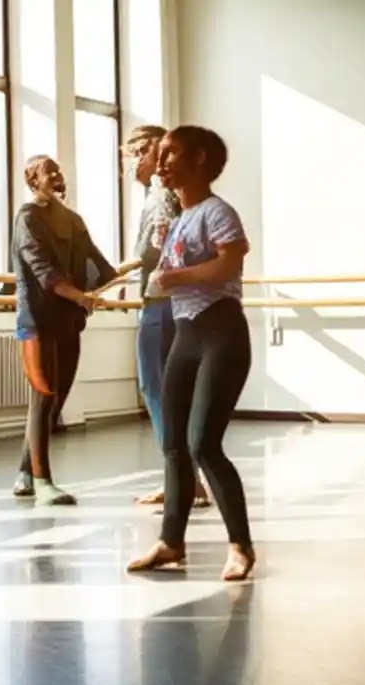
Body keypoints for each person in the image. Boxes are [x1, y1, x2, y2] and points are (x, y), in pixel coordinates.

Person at [126, 126, 256, 582]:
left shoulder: (217, 211)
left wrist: (178, 277)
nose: (160, 161)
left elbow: (231, 259)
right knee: (174, 445)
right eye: (159, 154)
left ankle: (240, 545)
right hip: (186, 334)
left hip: (221, 333)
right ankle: (170, 543)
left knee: (204, 444)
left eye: (170, 153)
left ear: (199, 159)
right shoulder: (179, 218)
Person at [115, 126, 211, 509]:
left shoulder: (159, 199)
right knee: (172, 393)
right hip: (176, 304)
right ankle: (185, 480)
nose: (131, 164)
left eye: (137, 153)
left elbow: (151, 253)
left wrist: (103, 278)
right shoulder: (167, 196)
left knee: (159, 391)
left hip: (163, 305)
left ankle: (183, 482)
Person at [10, 155, 115, 503]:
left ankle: (26, 470)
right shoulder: (28, 218)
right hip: (37, 321)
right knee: (43, 397)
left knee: (57, 399)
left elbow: (97, 263)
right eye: (47, 171)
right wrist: (80, 295)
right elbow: (43, 270)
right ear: (32, 180)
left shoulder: (73, 220)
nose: (56, 175)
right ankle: (42, 482)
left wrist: (133, 277)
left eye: (58, 169)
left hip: (69, 320)